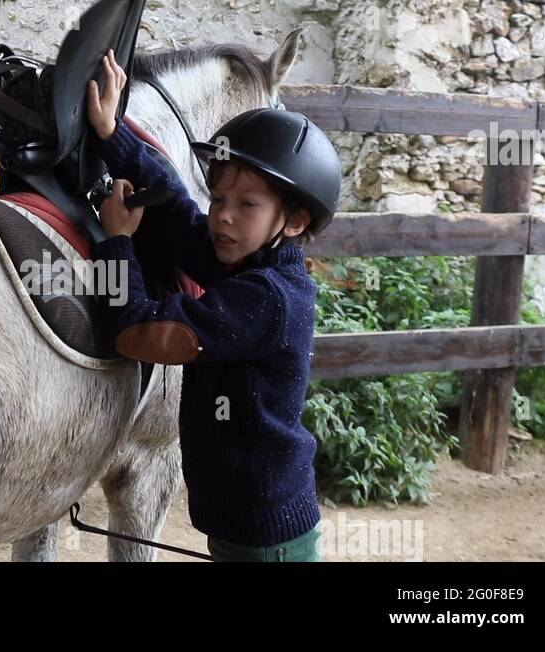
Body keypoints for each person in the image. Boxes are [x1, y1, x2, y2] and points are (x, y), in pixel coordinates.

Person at [85, 49, 342, 562]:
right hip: (242, 528)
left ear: (293, 222)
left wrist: (116, 244)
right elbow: (179, 212)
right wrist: (114, 133)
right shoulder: (245, 261)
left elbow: (137, 333)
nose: (222, 217)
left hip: (266, 544)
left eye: (246, 205)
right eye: (219, 199)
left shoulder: (266, 298)